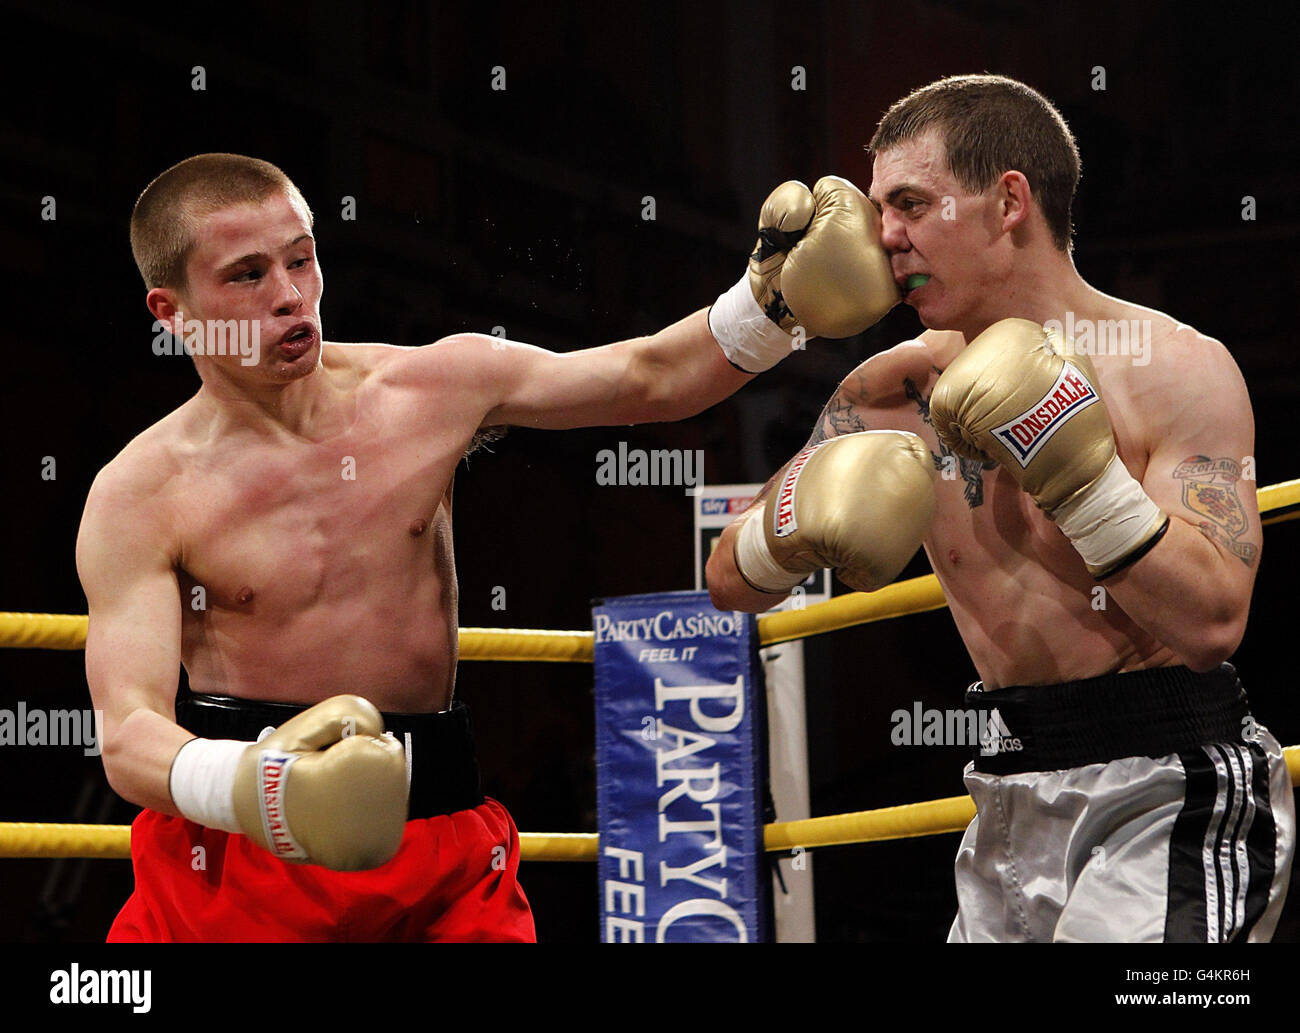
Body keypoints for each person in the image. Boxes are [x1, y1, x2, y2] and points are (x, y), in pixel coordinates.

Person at [75, 153, 898, 941]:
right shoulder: (141, 492)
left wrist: (775, 305)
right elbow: (127, 731)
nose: (291, 296)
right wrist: (255, 785)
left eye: (302, 259)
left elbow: (649, 377)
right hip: (244, 862)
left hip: (440, 847)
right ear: (170, 310)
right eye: (247, 275)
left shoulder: (430, 388)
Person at [706, 74, 1294, 942]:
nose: (886, 238)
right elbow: (725, 581)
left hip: (1172, 785)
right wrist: (791, 524)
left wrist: (1082, 477)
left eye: (910, 203)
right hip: (1008, 791)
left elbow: (1212, 623)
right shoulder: (888, 390)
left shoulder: (1173, 368)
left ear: (1009, 200)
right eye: (876, 213)